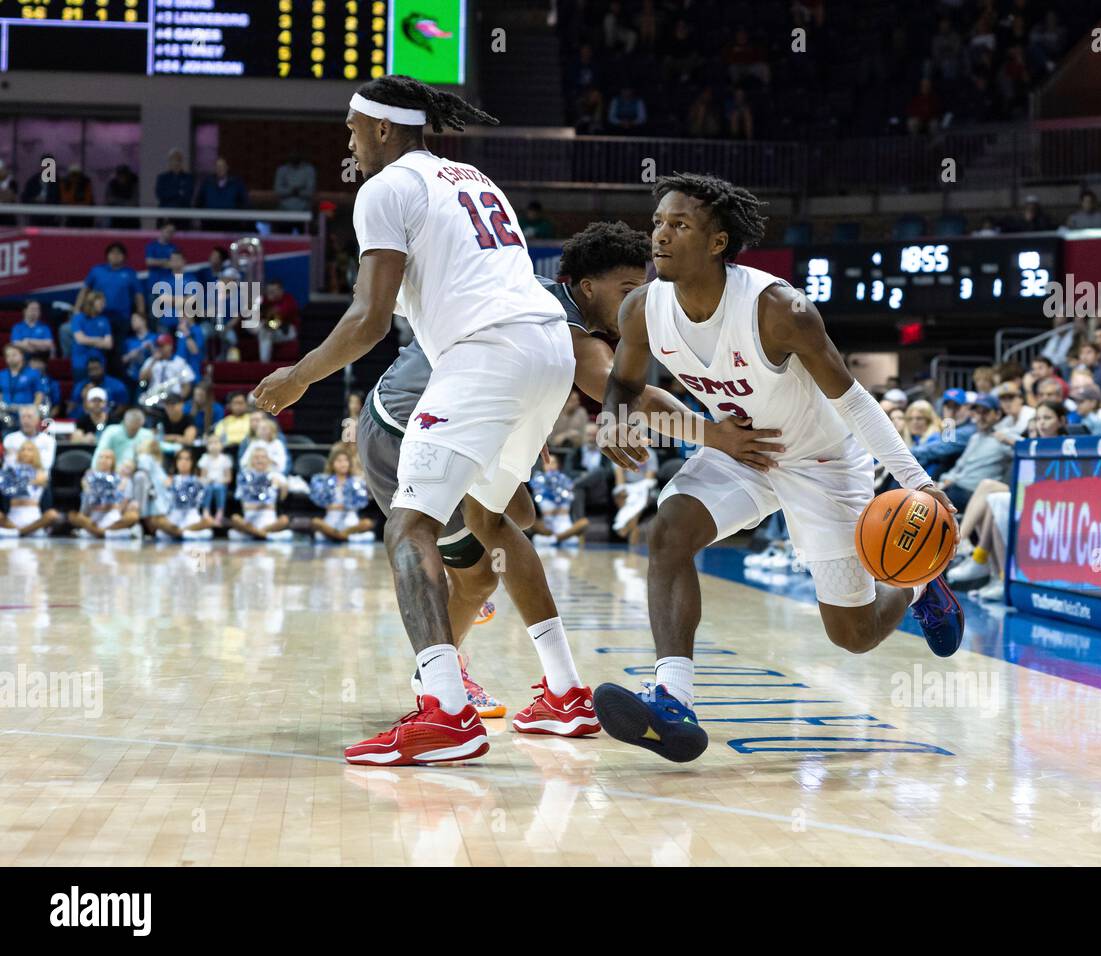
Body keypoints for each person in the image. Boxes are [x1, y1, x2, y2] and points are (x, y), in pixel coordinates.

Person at [249, 77, 594, 765]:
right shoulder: (472, 179)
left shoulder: (383, 188)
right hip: (549, 347)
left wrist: (299, 375)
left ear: (381, 128)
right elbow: (438, 290)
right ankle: (566, 693)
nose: (348, 140)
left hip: (488, 353)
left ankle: (445, 711)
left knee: (409, 526)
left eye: (352, 128)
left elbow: (369, 319)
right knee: (492, 521)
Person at [594, 172, 963, 764]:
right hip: (743, 450)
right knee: (668, 533)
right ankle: (673, 701)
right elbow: (625, 383)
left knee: (854, 636)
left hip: (822, 461)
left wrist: (916, 481)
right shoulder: (643, 308)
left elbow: (852, 398)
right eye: (658, 223)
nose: (660, 236)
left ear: (717, 243)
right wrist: (613, 419)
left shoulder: (779, 308)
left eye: (679, 224)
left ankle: (919, 579)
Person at [353, 218, 777, 721]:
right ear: (586, 287)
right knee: (485, 567)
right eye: (625, 289)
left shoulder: (542, 298)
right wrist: (718, 434)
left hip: (469, 417)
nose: (633, 302)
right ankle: (447, 682)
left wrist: (525, 427)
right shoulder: (565, 325)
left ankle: (545, 686)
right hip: (405, 427)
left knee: (515, 522)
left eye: (640, 289)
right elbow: (628, 395)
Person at [936, 394, 1013, 510]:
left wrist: (1011, 442)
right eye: (977, 412)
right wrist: (944, 481)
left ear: (997, 414)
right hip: (956, 486)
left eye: (985, 412)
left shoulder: (1003, 435)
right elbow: (960, 465)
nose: (981, 416)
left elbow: (1026, 449)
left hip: (972, 492)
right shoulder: (975, 437)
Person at [75, 243, 145, 342]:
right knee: (98, 345)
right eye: (112, 253)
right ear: (107, 255)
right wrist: (77, 309)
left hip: (122, 318)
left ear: (124, 256)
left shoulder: (130, 273)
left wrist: (140, 314)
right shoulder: (97, 271)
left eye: (119, 253)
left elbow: (139, 295)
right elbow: (84, 290)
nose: (115, 256)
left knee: (118, 348)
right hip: (98, 316)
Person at [309, 444, 375, 542]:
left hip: (351, 520)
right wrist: (331, 506)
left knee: (368, 523)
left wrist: (344, 506)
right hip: (331, 519)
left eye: (345, 461)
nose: (343, 464)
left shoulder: (356, 481)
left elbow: (362, 501)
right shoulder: (324, 481)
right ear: (332, 464)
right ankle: (344, 536)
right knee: (315, 522)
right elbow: (318, 498)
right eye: (339, 461)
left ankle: (338, 535)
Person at [67, 449, 139, 539]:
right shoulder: (89, 476)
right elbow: (86, 502)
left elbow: (121, 504)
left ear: (113, 461)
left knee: (133, 516)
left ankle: (94, 532)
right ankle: (108, 534)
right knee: (72, 516)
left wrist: (110, 505)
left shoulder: (120, 478)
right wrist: (86, 488)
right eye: (101, 457)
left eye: (107, 458)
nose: (103, 460)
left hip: (111, 516)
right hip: (93, 515)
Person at [148, 446, 215, 541]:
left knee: (209, 522)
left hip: (191, 515)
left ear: (192, 462)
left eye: (187, 459)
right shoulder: (168, 479)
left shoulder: (197, 481)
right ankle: (181, 532)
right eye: (180, 459)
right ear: (176, 462)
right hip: (174, 515)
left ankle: (179, 532)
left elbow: (186, 500)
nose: (183, 462)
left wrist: (174, 486)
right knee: (156, 521)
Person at [228, 446, 293, 541]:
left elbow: (283, 498)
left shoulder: (275, 475)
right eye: (256, 457)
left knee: (284, 520)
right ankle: (266, 535)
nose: (260, 460)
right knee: (235, 519)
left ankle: (254, 533)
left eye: (263, 457)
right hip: (250, 520)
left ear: (268, 460)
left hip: (270, 522)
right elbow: (246, 506)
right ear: (251, 460)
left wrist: (282, 486)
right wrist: (263, 504)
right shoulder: (244, 476)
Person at [0, 441, 61, 538]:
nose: (25, 452)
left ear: (35, 454)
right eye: (23, 449)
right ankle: (23, 531)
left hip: (33, 517)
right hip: (12, 518)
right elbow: (5, 487)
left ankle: (18, 532)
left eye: (29, 450)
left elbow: (34, 482)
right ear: (18, 453)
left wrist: (14, 480)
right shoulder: (10, 471)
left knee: (52, 515)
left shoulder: (41, 473)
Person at [66, 291, 114, 381]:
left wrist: (88, 340)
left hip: (99, 363)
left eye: (104, 303)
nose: (103, 305)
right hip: (80, 363)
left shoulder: (104, 320)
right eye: (100, 302)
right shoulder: (78, 318)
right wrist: (99, 340)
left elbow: (109, 344)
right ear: (92, 302)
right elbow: (80, 339)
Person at [139, 334, 196, 403]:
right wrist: (153, 361)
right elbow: (142, 379)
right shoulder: (151, 360)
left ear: (170, 346)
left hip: (173, 399)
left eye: (162, 346)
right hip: (154, 399)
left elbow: (187, 382)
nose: (160, 348)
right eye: (158, 346)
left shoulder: (179, 362)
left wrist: (181, 399)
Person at [3, 405, 55, 470]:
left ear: (37, 420)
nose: (26, 421)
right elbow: (8, 465)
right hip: (14, 478)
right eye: (23, 417)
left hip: (40, 478)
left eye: (29, 417)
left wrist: (18, 456)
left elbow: (46, 465)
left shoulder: (48, 440)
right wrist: (36, 457)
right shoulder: (10, 439)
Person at [198, 434, 233, 525]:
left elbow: (228, 478)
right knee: (207, 489)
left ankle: (219, 512)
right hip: (208, 483)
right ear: (207, 446)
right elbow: (202, 477)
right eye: (211, 443)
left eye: (216, 442)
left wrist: (220, 481)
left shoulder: (225, 459)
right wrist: (206, 481)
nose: (214, 445)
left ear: (221, 445)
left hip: (220, 483)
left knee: (219, 488)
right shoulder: (205, 458)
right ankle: (206, 512)